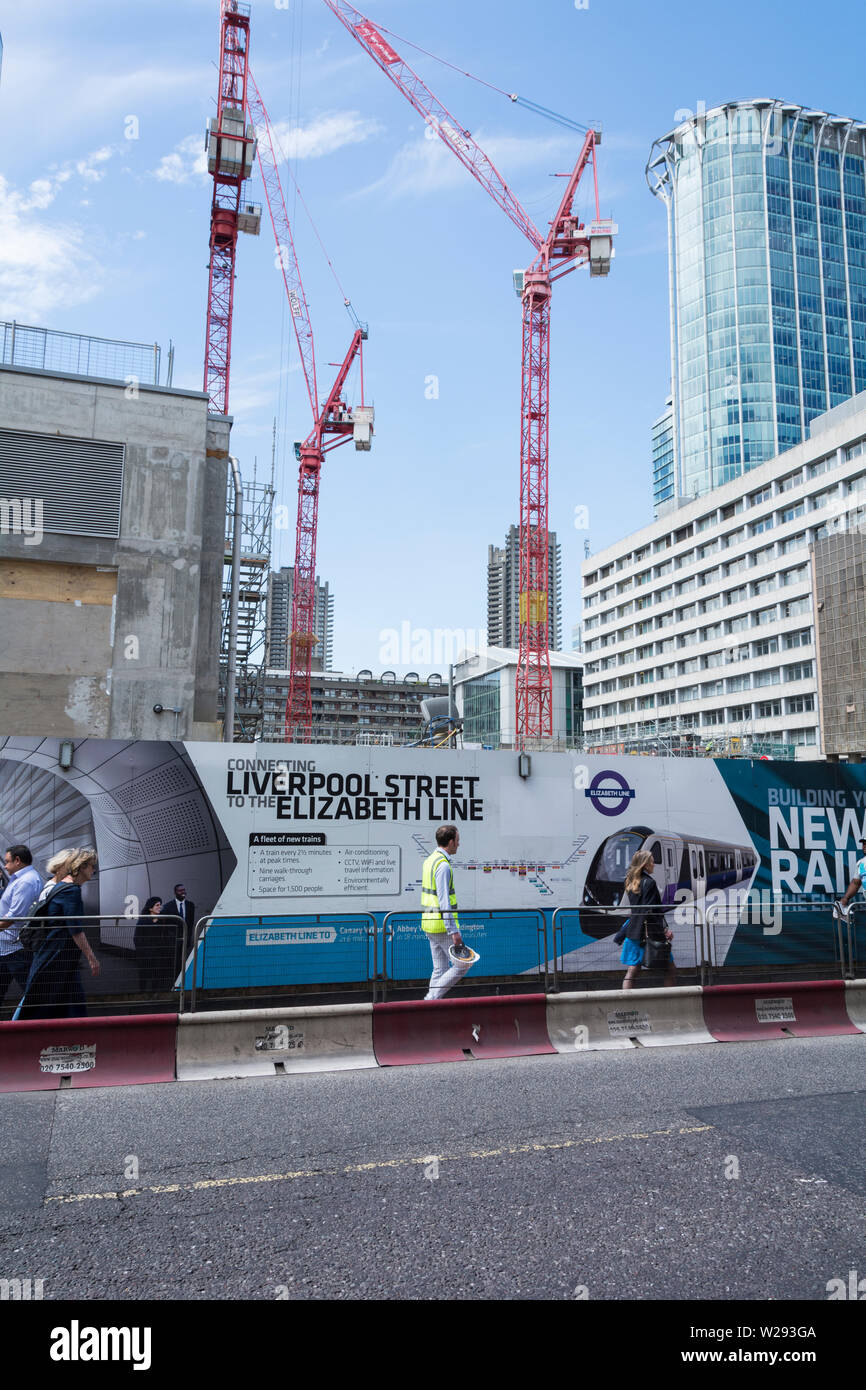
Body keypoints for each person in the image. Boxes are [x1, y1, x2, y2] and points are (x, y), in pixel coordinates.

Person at [18, 848, 101, 1019]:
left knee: (62, 1001)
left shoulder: (60, 887)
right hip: (57, 956)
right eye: (92, 866)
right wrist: (92, 958)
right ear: (81, 866)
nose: (94, 870)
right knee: (51, 1003)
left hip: (53, 953)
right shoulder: (71, 891)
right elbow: (76, 929)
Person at [420, 824, 474, 1001]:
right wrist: (453, 931)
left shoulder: (430, 860)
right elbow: (444, 900)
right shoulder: (443, 865)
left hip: (429, 922)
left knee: (440, 969)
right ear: (450, 842)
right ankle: (431, 998)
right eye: (457, 840)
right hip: (442, 926)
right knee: (463, 964)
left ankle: (430, 1006)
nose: (459, 844)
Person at [615, 849, 675, 991]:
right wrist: (664, 930)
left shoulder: (630, 882)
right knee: (670, 969)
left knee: (632, 971)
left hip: (634, 932)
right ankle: (670, 999)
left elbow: (639, 910)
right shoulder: (649, 883)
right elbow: (651, 911)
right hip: (650, 933)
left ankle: (626, 999)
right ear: (645, 864)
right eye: (652, 862)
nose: (654, 864)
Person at [0, 845, 44, 1004]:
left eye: (7, 861)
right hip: (7, 947)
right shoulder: (20, 879)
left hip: (16, 949)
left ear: (17, 860)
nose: (5, 866)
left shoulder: (26, 881)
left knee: (33, 994)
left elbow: (14, 917)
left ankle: (45, 1019)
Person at [134, 897, 174, 994]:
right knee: (144, 975)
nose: (160, 907)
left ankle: (154, 994)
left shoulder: (161, 921)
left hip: (158, 954)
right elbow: (136, 938)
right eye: (157, 905)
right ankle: (142, 994)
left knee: (156, 975)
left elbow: (165, 936)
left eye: (160, 905)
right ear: (150, 908)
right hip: (145, 954)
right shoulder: (143, 921)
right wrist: (143, 951)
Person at [833, 838, 866, 920]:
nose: (864, 846)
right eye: (864, 844)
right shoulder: (861, 863)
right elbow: (856, 883)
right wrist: (845, 898)